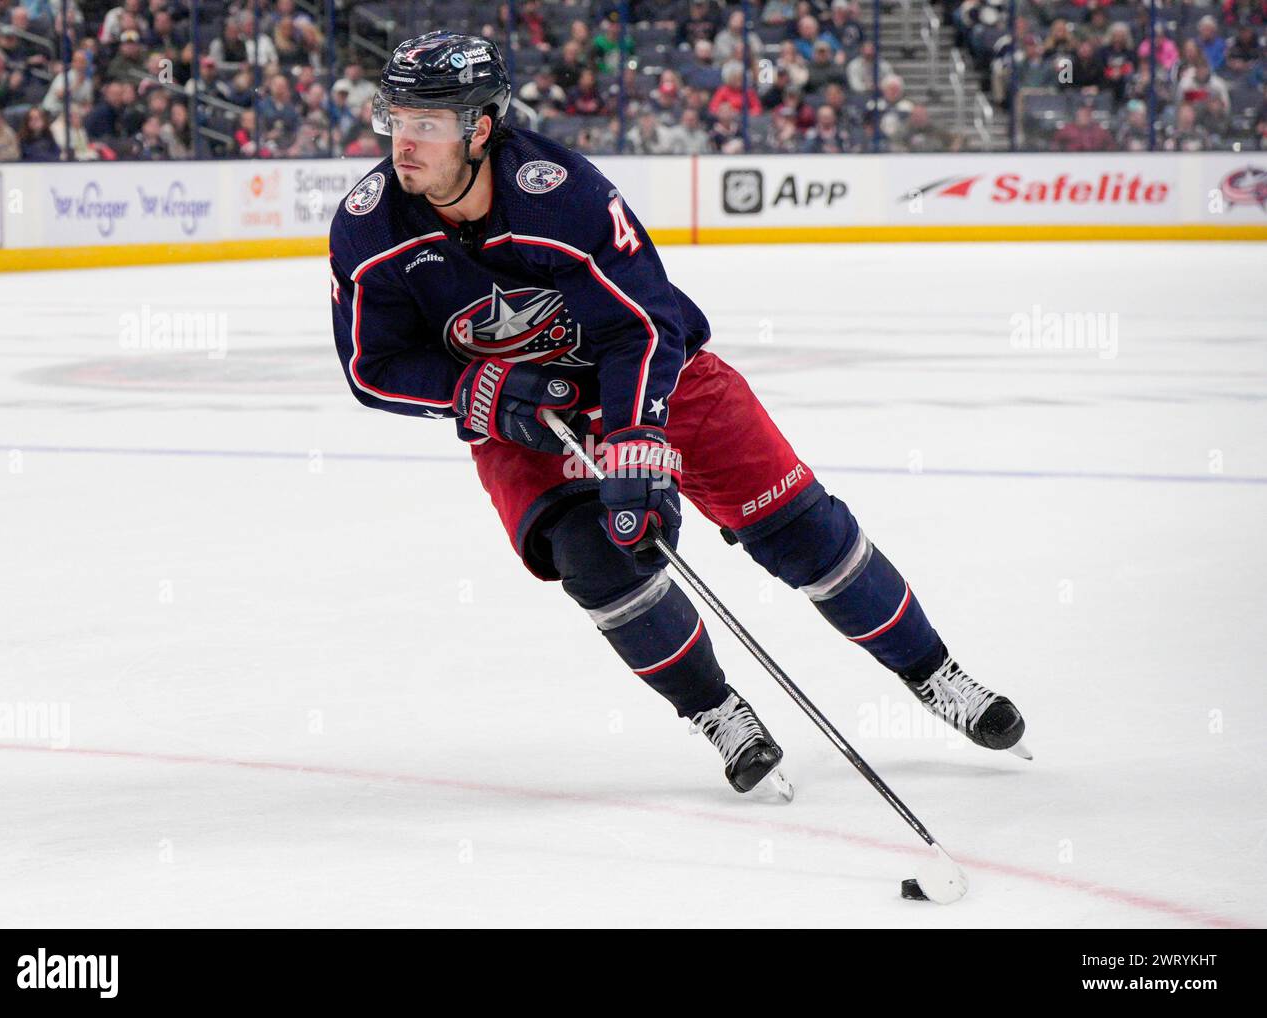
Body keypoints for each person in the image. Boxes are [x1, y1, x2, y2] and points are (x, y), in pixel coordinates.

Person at [328, 31, 1030, 799]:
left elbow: (644, 327)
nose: (403, 143)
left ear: (480, 128)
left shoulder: (561, 195)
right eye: (395, 119)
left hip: (660, 379)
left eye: (426, 123)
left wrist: (636, 440)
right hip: (523, 418)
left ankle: (936, 673)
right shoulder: (369, 227)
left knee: (800, 531)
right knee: (596, 560)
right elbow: (372, 367)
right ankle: (717, 712)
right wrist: (476, 392)